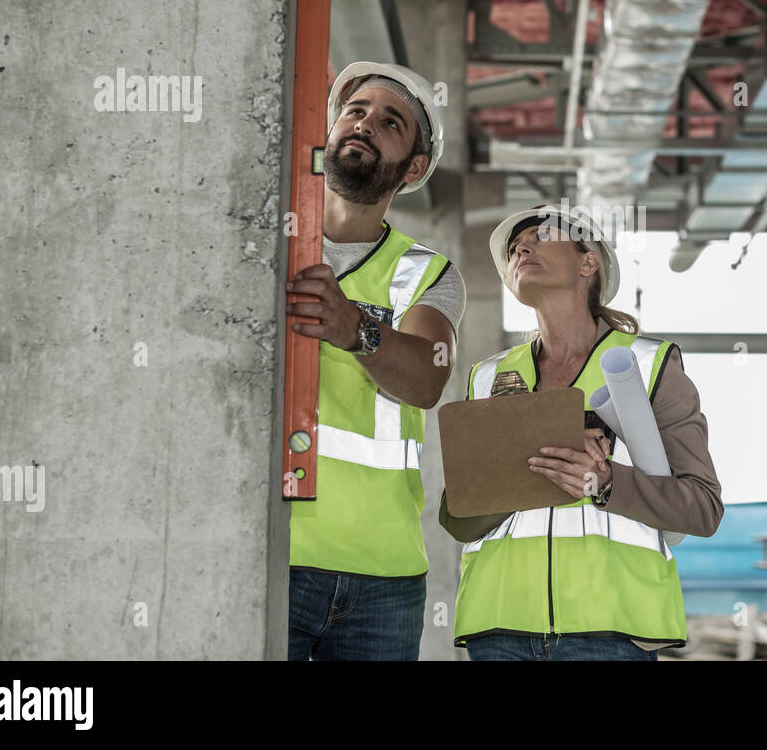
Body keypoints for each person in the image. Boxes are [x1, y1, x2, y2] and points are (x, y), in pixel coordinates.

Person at [439, 203, 722, 660]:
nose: (521, 248)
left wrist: (607, 482)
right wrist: (527, 464)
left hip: (613, 626)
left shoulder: (648, 365)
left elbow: (703, 509)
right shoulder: (488, 376)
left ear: (588, 261)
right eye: (514, 247)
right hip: (499, 625)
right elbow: (457, 518)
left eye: (540, 236)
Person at [286, 61, 465, 661]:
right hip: (271, 549)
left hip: (383, 577)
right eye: (355, 111)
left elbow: (425, 378)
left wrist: (353, 328)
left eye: (390, 123)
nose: (364, 124)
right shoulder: (269, 236)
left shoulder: (428, 273)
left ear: (412, 168)